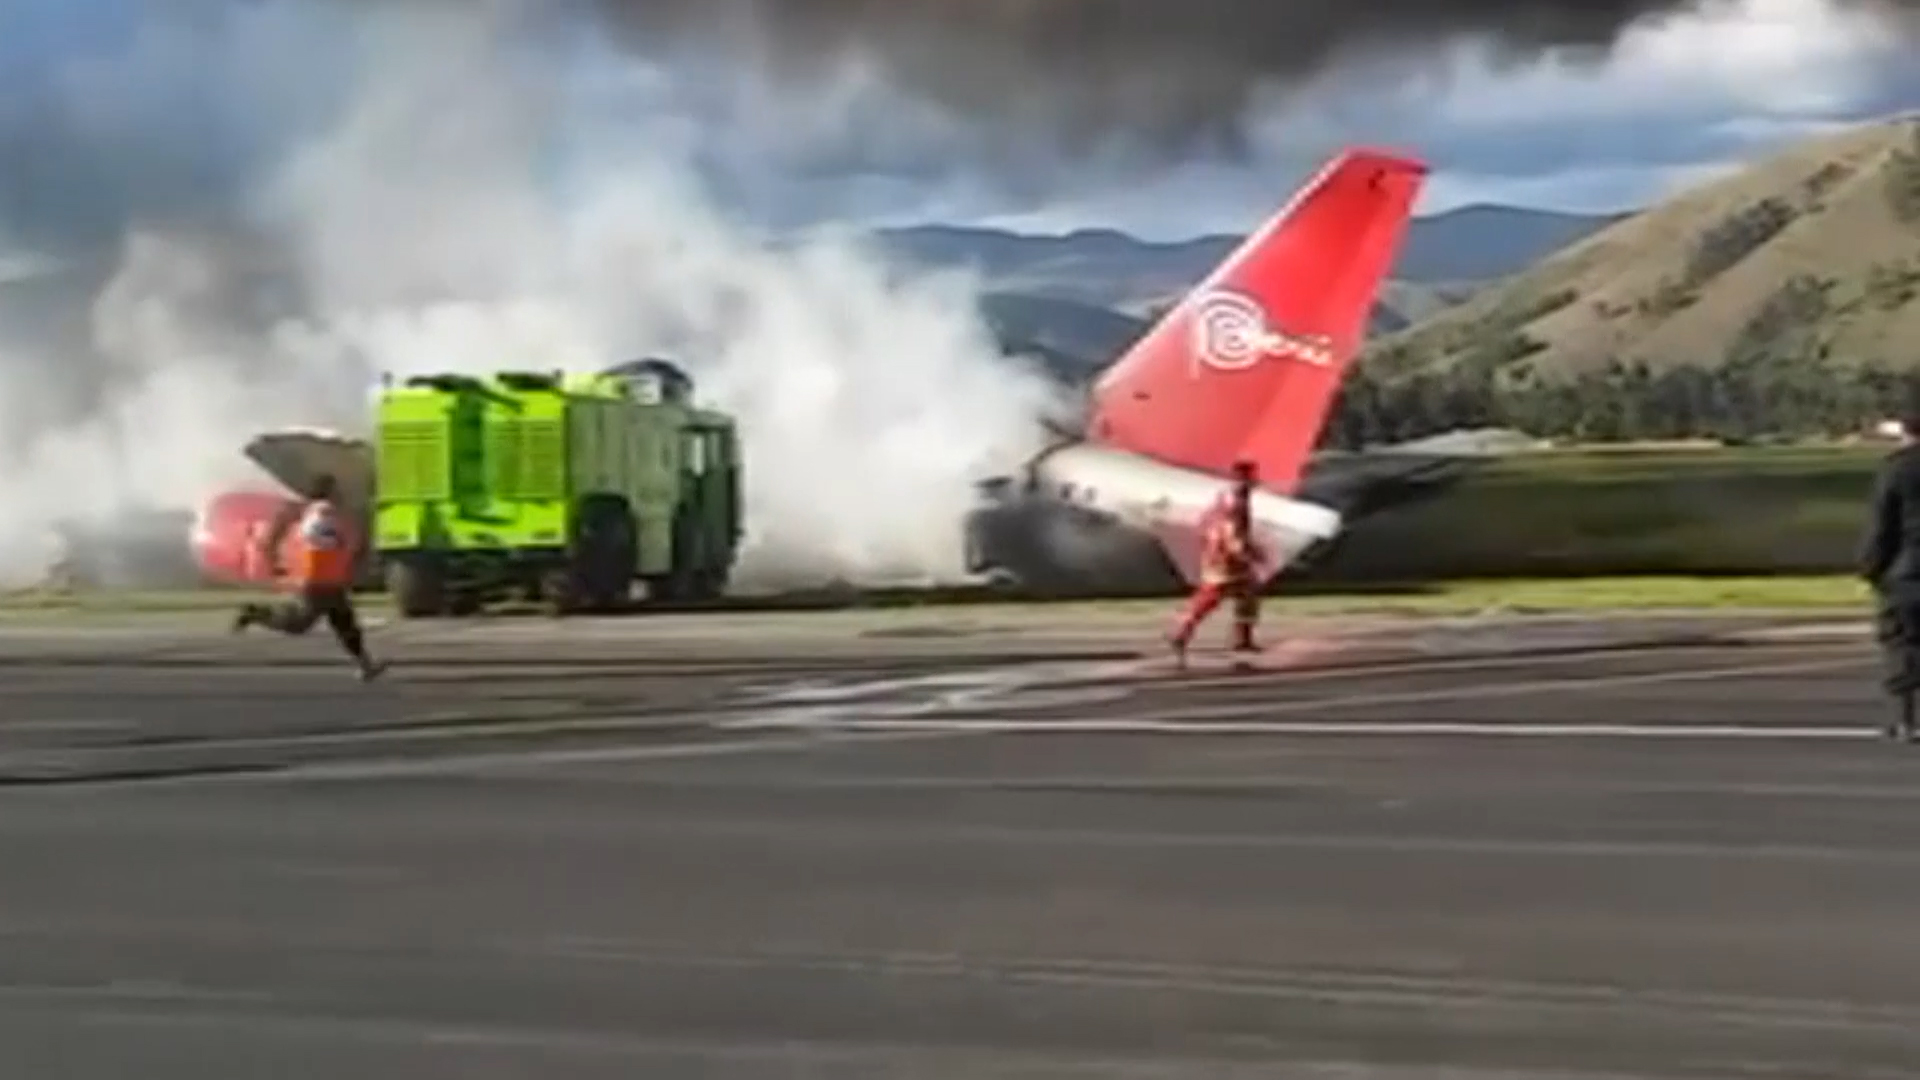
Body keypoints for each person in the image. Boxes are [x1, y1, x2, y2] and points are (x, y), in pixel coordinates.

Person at [232, 472, 388, 682]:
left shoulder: (318, 512)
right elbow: (330, 538)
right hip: (318, 580)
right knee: (299, 624)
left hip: (331, 580)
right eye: (335, 489)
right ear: (327, 491)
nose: (339, 493)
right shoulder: (324, 512)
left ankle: (366, 666)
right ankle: (255, 613)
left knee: (345, 623)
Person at [1168, 460, 1265, 667]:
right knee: (1213, 594)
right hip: (1225, 557)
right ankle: (1180, 634)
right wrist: (1243, 551)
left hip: (1222, 552)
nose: (1253, 481)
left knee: (1247, 593)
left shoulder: (1232, 496)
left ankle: (1242, 639)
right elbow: (1231, 530)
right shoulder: (1235, 499)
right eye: (1249, 477)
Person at [1861, 402, 1920, 740]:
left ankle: (1907, 720)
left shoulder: (1897, 469)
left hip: (1908, 571)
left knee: (1903, 646)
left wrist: (1871, 567)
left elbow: (1883, 525)